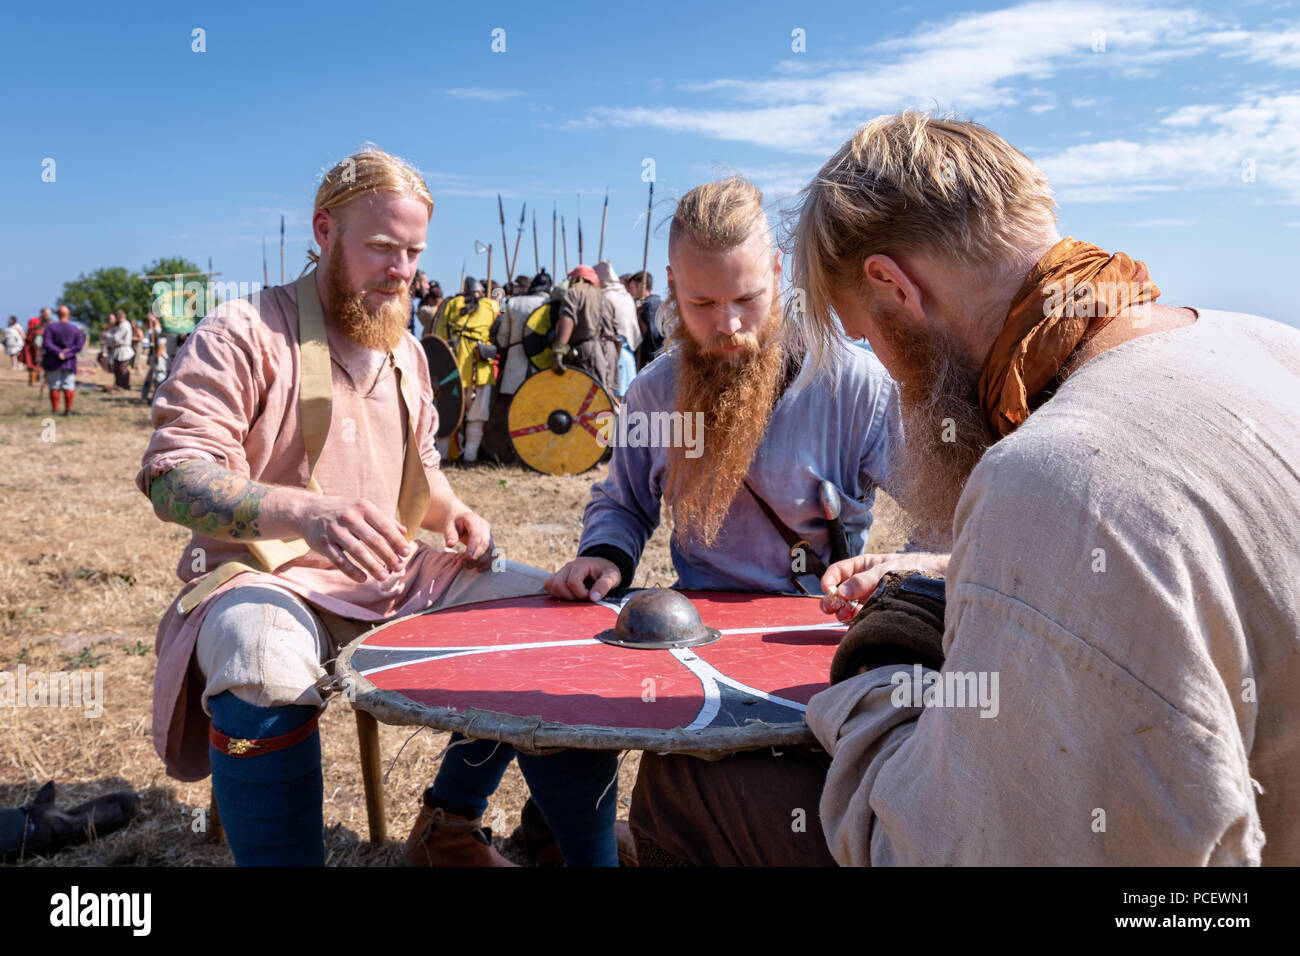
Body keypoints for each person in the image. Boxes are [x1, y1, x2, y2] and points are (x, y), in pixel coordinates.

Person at [639, 111, 1300, 866]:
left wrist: (878, 674)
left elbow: (949, 849)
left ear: (893, 286)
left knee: (685, 780)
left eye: (865, 333)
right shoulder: (1275, 347)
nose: (880, 365)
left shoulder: (1055, 480)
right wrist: (953, 570)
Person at [137, 148, 616, 868]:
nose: (401, 270)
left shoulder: (409, 352)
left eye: (414, 252)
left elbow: (421, 476)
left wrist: (455, 515)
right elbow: (174, 476)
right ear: (324, 230)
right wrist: (306, 514)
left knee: (556, 631)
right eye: (381, 248)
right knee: (259, 658)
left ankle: (509, 839)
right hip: (267, 578)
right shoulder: (244, 330)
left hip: (402, 575)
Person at [545, 177, 919, 866]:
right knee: (569, 720)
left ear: (779, 272)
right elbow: (624, 501)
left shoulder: (856, 387)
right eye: (702, 303)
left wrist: (902, 573)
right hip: (693, 644)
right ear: (669, 287)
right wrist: (604, 553)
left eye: (747, 298)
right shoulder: (656, 392)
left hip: (813, 647)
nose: (728, 325)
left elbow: (946, 517)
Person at [483, 270, 551, 462]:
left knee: (513, 411)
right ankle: (534, 453)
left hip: (515, 362)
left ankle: (512, 453)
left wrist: (503, 361)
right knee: (539, 411)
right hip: (542, 365)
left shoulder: (513, 303)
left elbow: (502, 338)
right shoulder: (551, 304)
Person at [434, 277, 498, 462]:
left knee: (447, 415)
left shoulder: (452, 304)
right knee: (476, 417)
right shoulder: (492, 305)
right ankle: (470, 458)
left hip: (453, 368)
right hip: (481, 367)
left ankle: (442, 458)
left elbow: (439, 337)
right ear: (480, 292)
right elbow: (501, 324)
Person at [552, 264, 619, 394]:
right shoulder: (606, 298)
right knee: (608, 401)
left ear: (575, 279)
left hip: (588, 352)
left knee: (586, 402)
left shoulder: (575, 292)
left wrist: (559, 350)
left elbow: (568, 319)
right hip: (610, 354)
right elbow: (618, 339)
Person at [593, 260, 640, 397]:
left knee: (611, 400)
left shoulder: (604, 296)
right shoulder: (626, 296)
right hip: (628, 356)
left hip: (613, 354)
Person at [41, 306, 86, 415]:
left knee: (54, 385)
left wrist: (59, 352)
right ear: (68, 314)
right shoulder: (75, 329)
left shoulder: (50, 328)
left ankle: (56, 410)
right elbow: (79, 346)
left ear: (57, 314)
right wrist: (66, 353)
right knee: (69, 385)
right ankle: (68, 410)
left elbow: (47, 343)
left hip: (54, 361)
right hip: (69, 362)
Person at [627, 270, 663, 368]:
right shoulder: (658, 302)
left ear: (640, 286)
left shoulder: (649, 305)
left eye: (631, 288)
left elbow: (651, 335)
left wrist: (637, 317)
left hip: (651, 361)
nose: (629, 292)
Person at [104, 309, 135, 391]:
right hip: (119, 349)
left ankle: (124, 386)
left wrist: (107, 336)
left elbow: (116, 338)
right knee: (117, 368)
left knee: (122, 369)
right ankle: (119, 385)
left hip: (123, 349)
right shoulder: (121, 325)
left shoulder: (124, 325)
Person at [21, 310, 49, 387]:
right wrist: (37, 354)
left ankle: (34, 381)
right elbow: (37, 343)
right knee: (33, 366)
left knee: (34, 366)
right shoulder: (39, 331)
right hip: (33, 350)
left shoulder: (38, 329)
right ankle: (32, 382)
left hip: (33, 349)